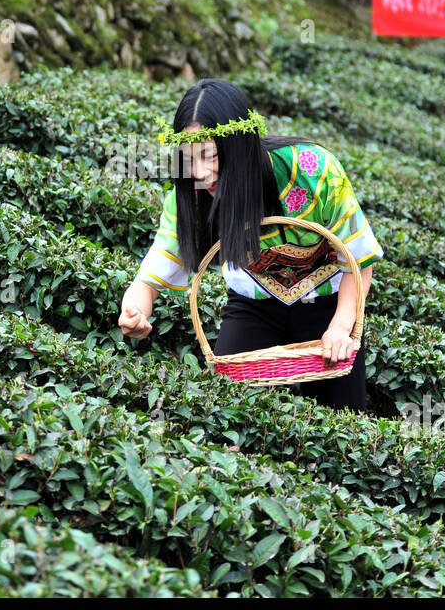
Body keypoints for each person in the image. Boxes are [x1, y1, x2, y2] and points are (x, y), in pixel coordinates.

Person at [117, 79, 383, 411]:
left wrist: (342, 327)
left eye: (210, 156)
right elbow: (151, 274)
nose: (200, 174)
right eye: (189, 159)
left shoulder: (313, 169)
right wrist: (135, 313)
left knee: (344, 418)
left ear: (240, 147)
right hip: (253, 305)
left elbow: (359, 259)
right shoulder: (191, 197)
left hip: (328, 301)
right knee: (229, 410)